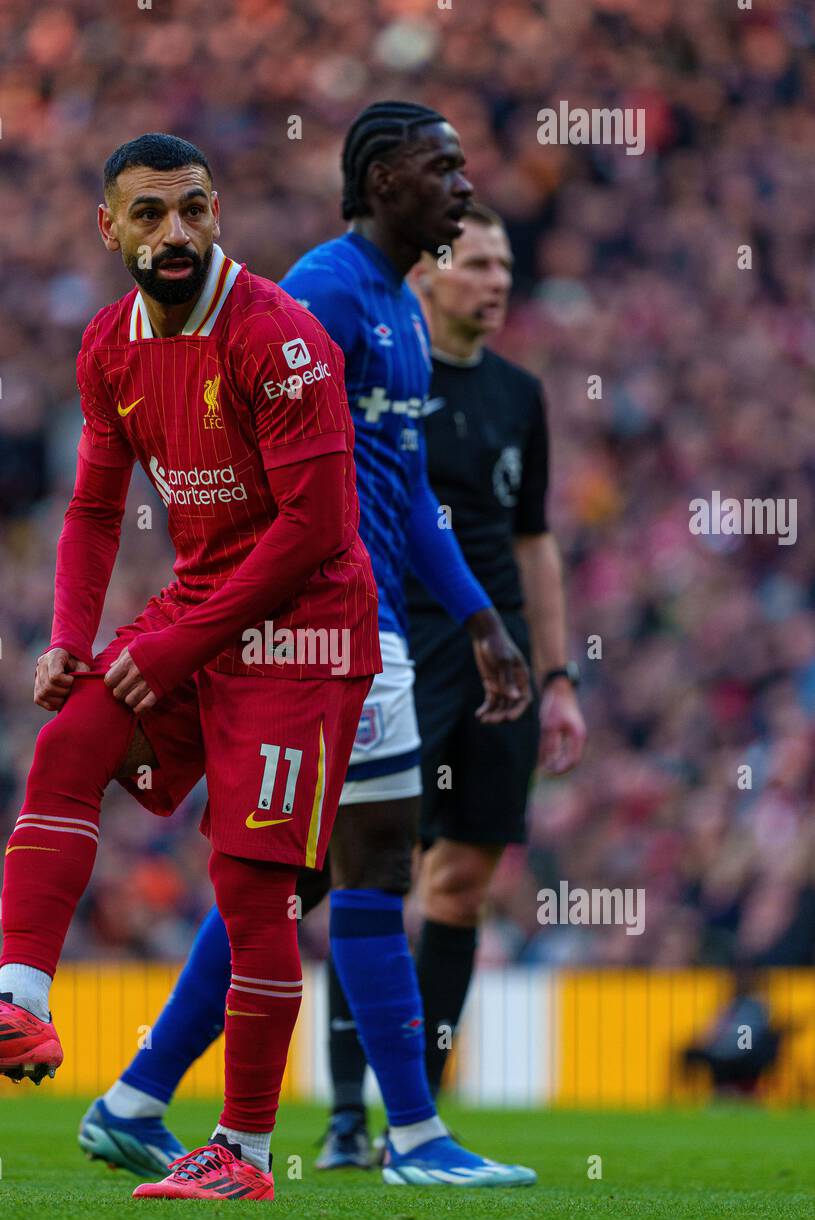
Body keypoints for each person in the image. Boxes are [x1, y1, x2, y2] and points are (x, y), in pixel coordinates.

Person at [0, 132, 382, 1203]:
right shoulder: (108, 346)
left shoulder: (280, 337)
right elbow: (91, 505)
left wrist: (171, 643)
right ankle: (19, 1001)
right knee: (69, 734)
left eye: (195, 210)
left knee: (253, 887)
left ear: (218, 214)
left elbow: (316, 528)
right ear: (108, 226)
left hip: (300, 632)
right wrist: (72, 637)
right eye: (152, 213)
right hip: (203, 604)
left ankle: (244, 1154)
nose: (176, 233)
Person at [84, 102, 538, 1189]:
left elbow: (411, 488)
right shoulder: (320, 297)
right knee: (349, 869)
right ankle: (408, 1139)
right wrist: (238, 615)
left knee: (293, 881)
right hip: (318, 631)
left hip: (364, 626)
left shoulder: (399, 309)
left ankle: (140, 1093)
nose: (464, 189)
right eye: (444, 169)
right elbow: (250, 465)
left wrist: (480, 618)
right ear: (383, 179)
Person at [321, 206, 587, 1159]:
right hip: (400, 637)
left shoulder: (520, 395)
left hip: (497, 649)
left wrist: (557, 674)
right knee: (357, 869)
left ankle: (414, 1117)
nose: (498, 279)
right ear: (427, 276)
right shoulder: (392, 375)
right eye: (477, 261)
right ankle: (348, 1110)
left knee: (461, 881)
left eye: (506, 263)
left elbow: (534, 540)